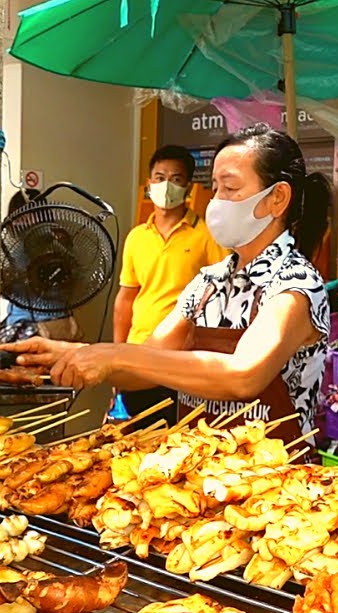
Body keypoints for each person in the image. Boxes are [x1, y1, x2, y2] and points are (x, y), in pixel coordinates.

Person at [0, 126, 332, 445]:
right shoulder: (208, 282)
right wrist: (74, 355)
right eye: (215, 188)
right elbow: (144, 366)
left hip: (276, 489)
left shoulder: (295, 285)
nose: (216, 201)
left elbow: (242, 375)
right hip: (202, 478)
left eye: (230, 188)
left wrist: (112, 355)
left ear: (277, 198)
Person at [111, 145, 227, 424]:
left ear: (188, 187)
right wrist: (117, 355)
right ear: (149, 184)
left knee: (178, 440)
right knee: (136, 441)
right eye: (159, 177)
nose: (166, 186)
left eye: (175, 179)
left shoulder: (208, 235)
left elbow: (224, 291)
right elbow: (126, 299)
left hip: (183, 358)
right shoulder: (136, 237)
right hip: (140, 352)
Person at [0, 189, 81, 344]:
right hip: (18, 323)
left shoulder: (59, 246)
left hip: (54, 324)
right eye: (18, 217)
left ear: (42, 216)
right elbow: (4, 289)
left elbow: (77, 281)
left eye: (28, 216)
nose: (22, 222)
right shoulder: (9, 250)